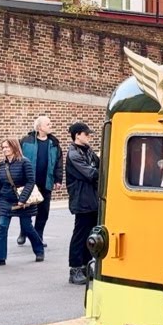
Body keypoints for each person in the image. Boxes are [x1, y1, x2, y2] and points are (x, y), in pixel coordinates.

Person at [0, 139, 45, 266]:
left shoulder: (25, 162)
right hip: (5, 200)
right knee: (2, 227)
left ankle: (39, 250)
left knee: (27, 227)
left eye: (7, 147)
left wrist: (22, 199)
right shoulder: (2, 165)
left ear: (14, 147)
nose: (5, 150)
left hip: (22, 201)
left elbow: (30, 182)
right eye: (3, 147)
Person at [19, 116, 63, 248]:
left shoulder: (54, 143)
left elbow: (58, 163)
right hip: (29, 183)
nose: (51, 125)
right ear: (39, 127)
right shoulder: (26, 141)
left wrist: (58, 179)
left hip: (46, 181)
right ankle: (24, 231)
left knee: (43, 211)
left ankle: (38, 236)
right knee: (26, 209)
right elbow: (18, 159)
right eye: (48, 124)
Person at [65, 122, 99, 285]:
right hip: (82, 199)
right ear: (78, 135)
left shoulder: (88, 151)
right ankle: (75, 268)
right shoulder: (74, 154)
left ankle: (86, 265)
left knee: (90, 233)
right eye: (87, 134)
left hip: (91, 199)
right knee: (80, 235)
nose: (89, 137)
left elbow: (101, 165)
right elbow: (91, 173)